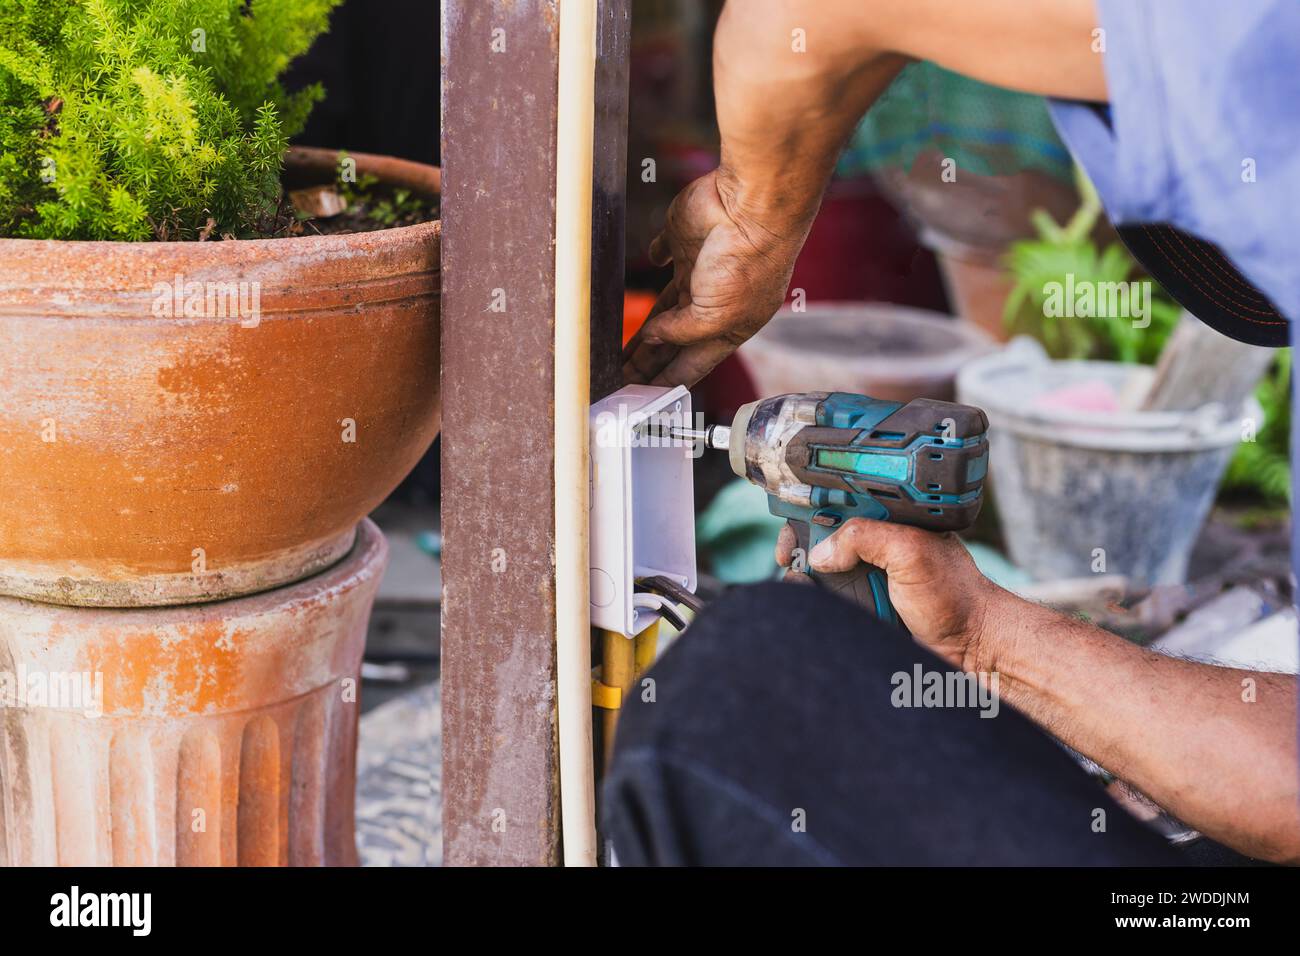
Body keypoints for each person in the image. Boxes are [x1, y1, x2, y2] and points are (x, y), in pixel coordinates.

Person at [607, 0, 1300, 865]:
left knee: (736, 683)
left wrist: (754, 222)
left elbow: (805, 16)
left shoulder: (1262, 52)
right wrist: (981, 632)